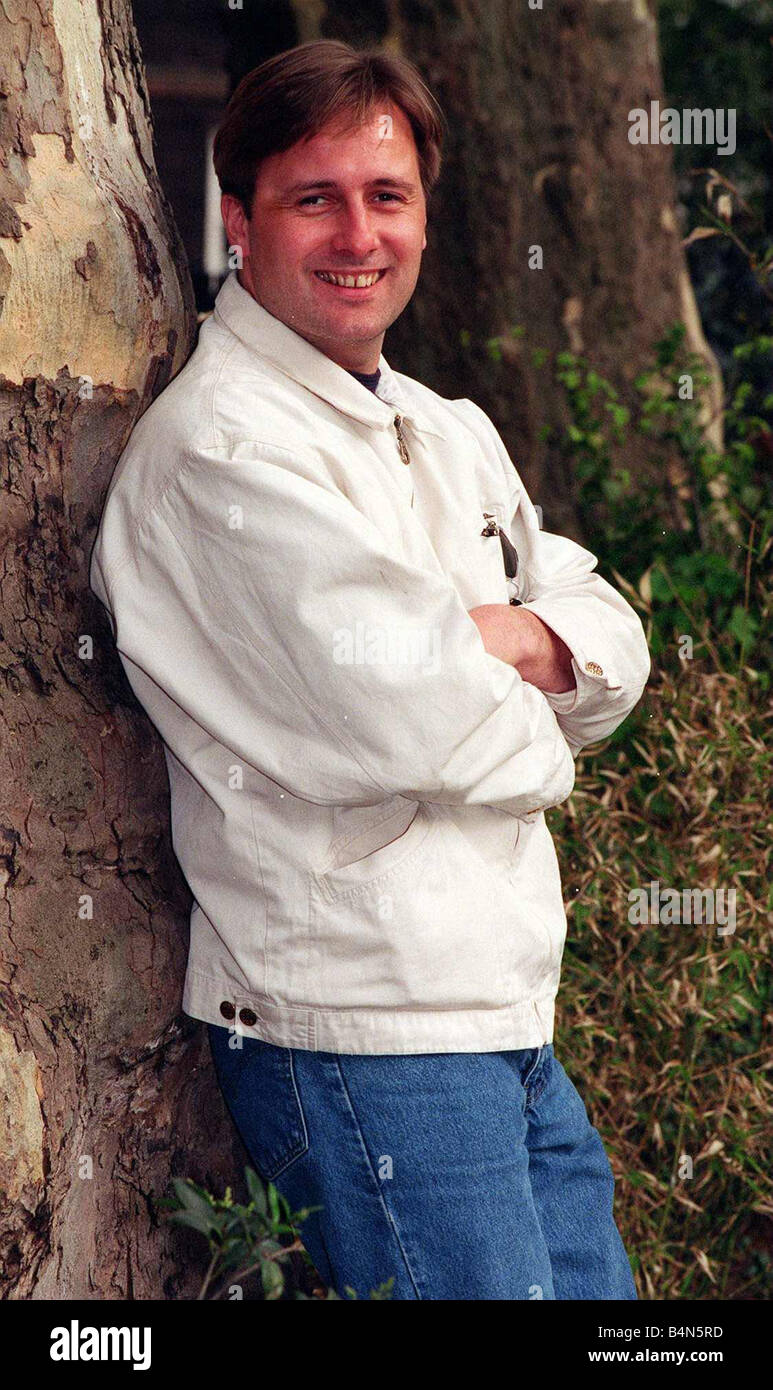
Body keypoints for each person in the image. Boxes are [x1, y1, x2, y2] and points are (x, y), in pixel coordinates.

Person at [90, 39, 650, 1300]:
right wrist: (526, 679)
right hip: (360, 1034)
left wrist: (516, 641)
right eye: (314, 198)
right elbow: (426, 720)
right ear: (239, 219)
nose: (358, 233)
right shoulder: (223, 454)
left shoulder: (445, 431)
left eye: (386, 196)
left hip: (504, 1018)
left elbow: (606, 629)